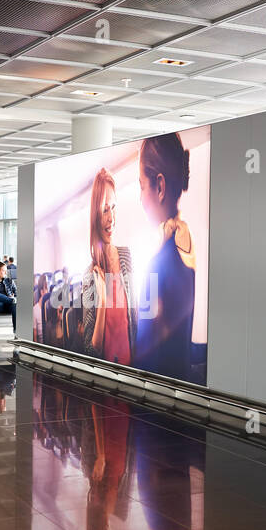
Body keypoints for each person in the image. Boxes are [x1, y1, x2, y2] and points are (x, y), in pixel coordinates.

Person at [133, 131, 197, 381]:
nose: (140, 198)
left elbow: (146, 355)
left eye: (141, 186)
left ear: (159, 186)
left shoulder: (157, 264)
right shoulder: (186, 246)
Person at [81, 167, 135, 365]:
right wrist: (103, 301)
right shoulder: (89, 275)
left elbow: (134, 321)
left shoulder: (125, 256)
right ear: (95, 216)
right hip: (108, 378)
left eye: (113, 207)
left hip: (132, 370)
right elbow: (91, 350)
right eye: (105, 209)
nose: (111, 218)